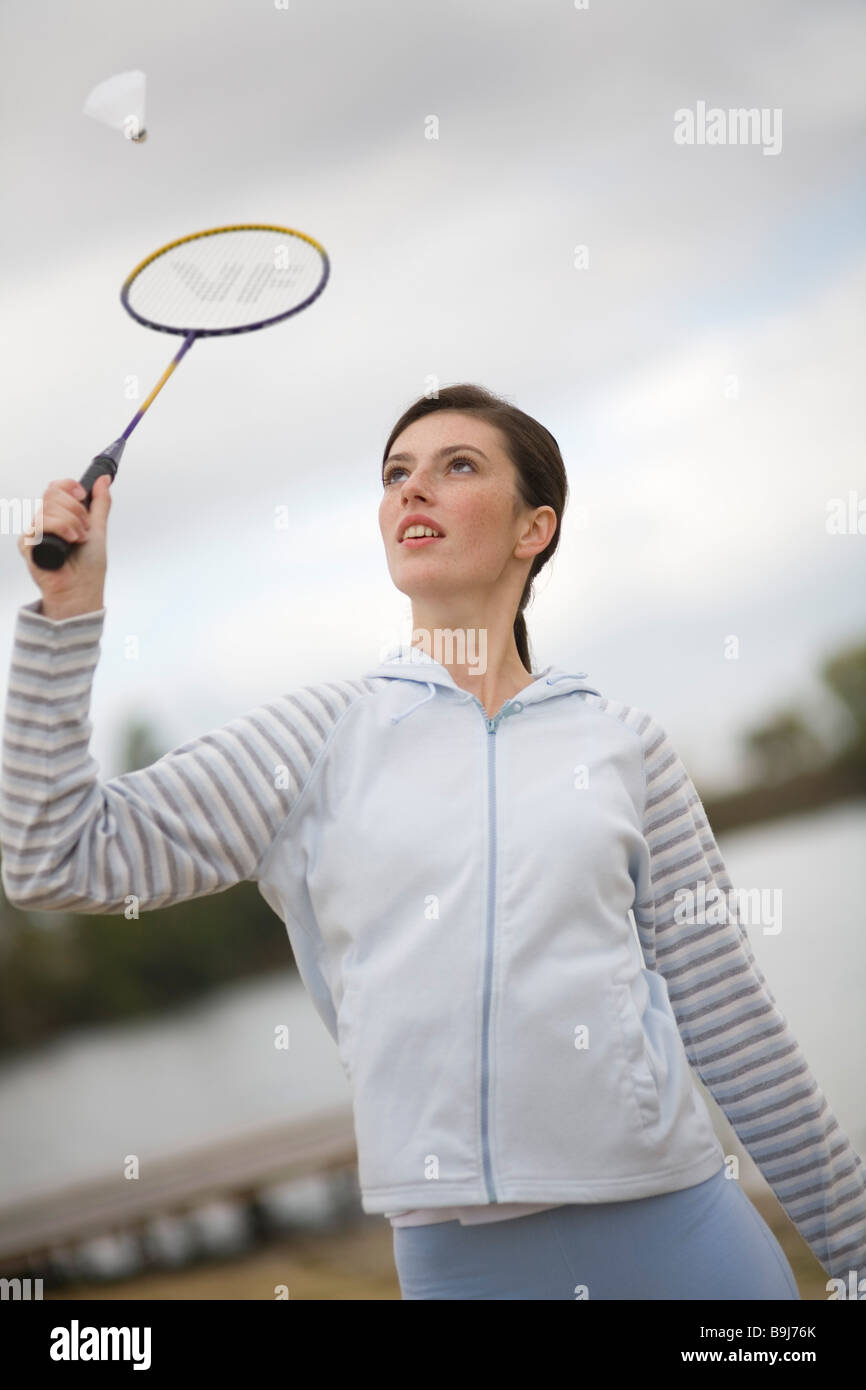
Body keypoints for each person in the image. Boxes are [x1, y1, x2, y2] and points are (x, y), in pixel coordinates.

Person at [2, 383, 864, 1301]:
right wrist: (66, 616)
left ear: (535, 529)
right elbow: (53, 854)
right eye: (395, 474)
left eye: (457, 467)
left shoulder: (624, 748)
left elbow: (733, 1024)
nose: (414, 490)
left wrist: (852, 1258)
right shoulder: (319, 738)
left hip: (682, 1233)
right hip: (465, 1265)